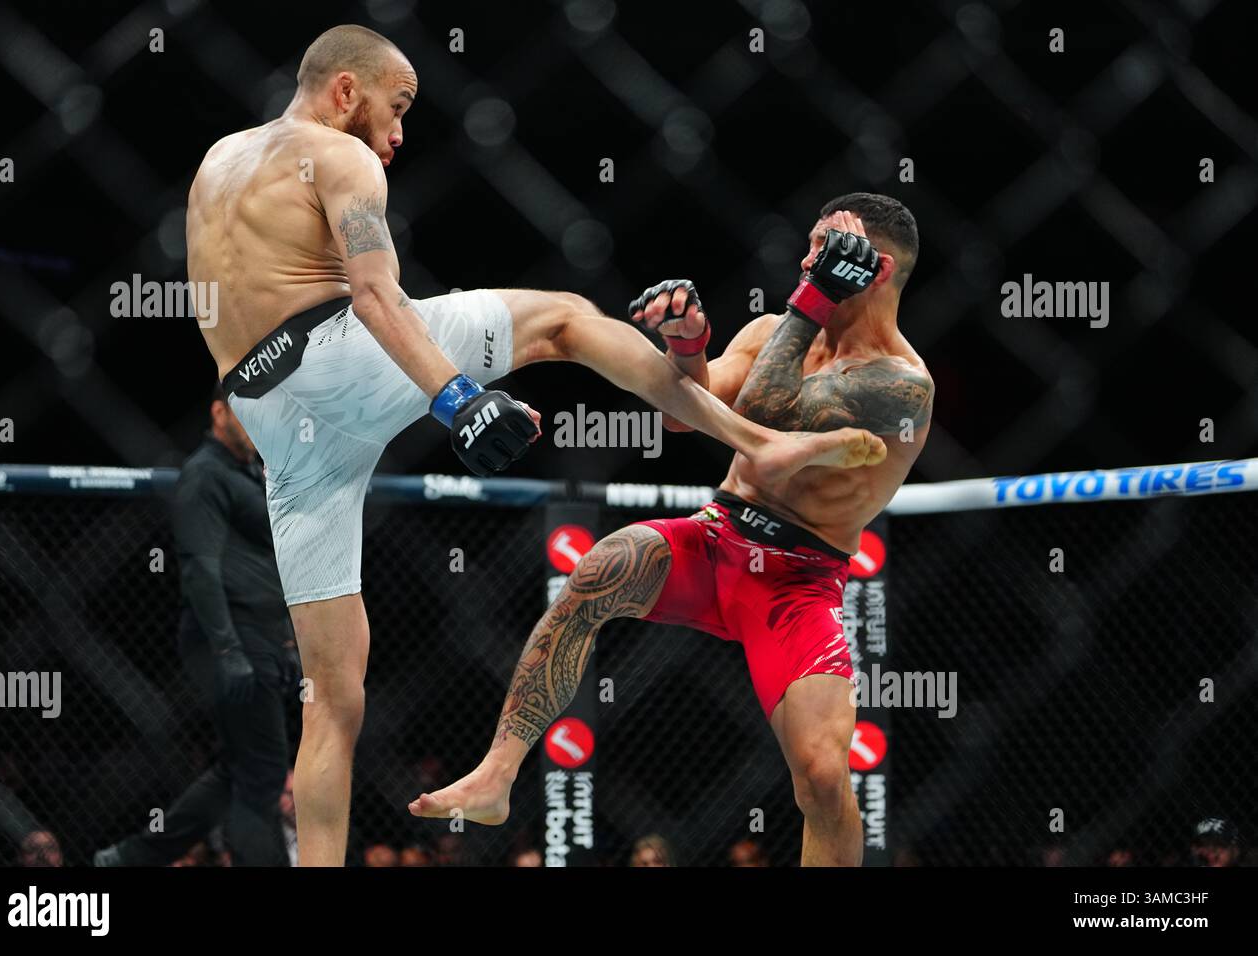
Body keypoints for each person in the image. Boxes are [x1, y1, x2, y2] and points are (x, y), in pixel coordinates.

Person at [186, 24, 880, 866]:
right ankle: (753, 440)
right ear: (344, 91)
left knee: (332, 696)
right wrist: (457, 399)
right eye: (396, 107)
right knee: (562, 321)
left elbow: (218, 316)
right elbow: (373, 294)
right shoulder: (342, 157)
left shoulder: (217, 162)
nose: (401, 132)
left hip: (267, 411)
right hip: (334, 352)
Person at [410, 196, 933, 868]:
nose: (807, 262)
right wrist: (687, 347)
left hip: (799, 582)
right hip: (717, 538)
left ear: (877, 267)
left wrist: (809, 304)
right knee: (601, 567)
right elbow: (693, 412)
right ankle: (496, 775)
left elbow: (770, 409)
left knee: (825, 777)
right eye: (809, 246)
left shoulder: (903, 384)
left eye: (827, 249)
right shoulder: (777, 328)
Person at [94, 387, 299, 867]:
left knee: (240, 768)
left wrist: (287, 643)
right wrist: (230, 653)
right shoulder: (204, 475)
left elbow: (269, 565)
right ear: (218, 412)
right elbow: (199, 569)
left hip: (259, 636)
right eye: (248, 415)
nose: (258, 426)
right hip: (229, 636)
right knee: (264, 773)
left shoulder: (250, 477)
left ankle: (131, 858)